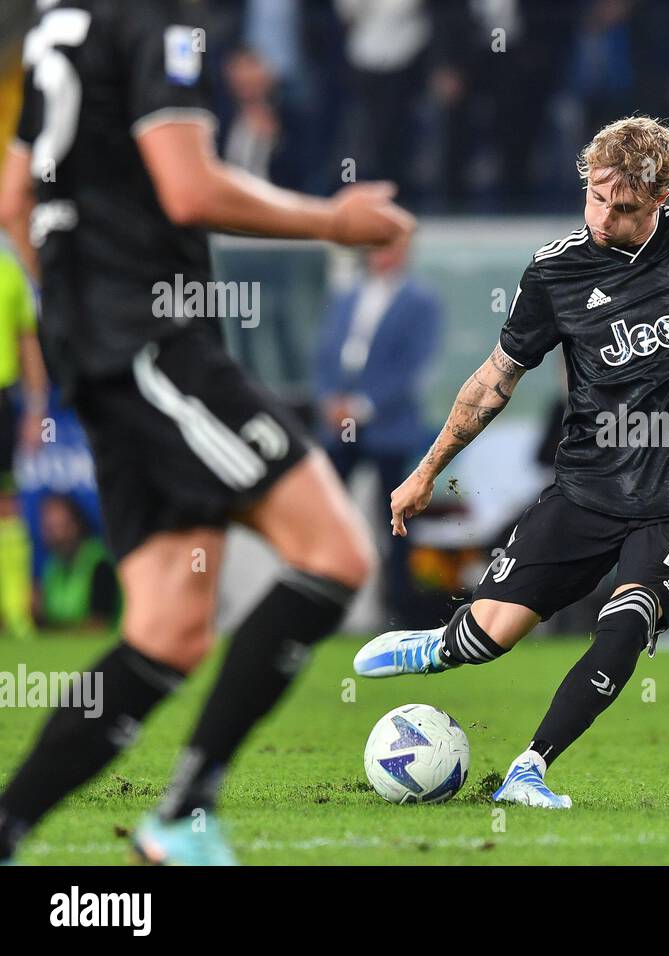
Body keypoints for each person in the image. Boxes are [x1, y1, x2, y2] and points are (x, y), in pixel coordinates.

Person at [352, 115, 669, 808]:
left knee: (626, 618)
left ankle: (528, 770)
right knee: (489, 638)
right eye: (595, 197)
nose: (603, 217)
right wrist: (424, 471)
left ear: (660, 197)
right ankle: (445, 644)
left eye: (622, 207)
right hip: (588, 488)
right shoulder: (556, 270)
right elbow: (493, 380)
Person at [0, 0, 412, 866]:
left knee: (168, 629)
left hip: (105, 349)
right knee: (334, 552)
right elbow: (190, 186)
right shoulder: (163, 19)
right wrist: (333, 221)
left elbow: (11, 200)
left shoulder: (58, 25)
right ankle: (185, 812)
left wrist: (79, 324)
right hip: (155, 341)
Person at [316, 235, 439, 626]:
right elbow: (323, 354)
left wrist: (361, 406)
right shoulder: (347, 296)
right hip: (338, 428)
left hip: (389, 427)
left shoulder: (421, 302)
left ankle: (399, 610)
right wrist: (328, 401)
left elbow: (412, 367)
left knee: (396, 520)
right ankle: (320, 599)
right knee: (325, 510)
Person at [0, 248, 46, 641]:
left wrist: (36, 409)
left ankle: (16, 615)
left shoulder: (9, 271)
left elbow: (28, 343)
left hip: (2, 399)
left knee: (7, 506)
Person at [36, 494, 120, 631]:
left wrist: (54, 632)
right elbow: (46, 617)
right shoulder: (52, 565)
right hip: (59, 647)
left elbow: (99, 624)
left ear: (75, 525)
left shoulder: (99, 564)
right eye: (49, 528)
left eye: (60, 526)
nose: (55, 535)